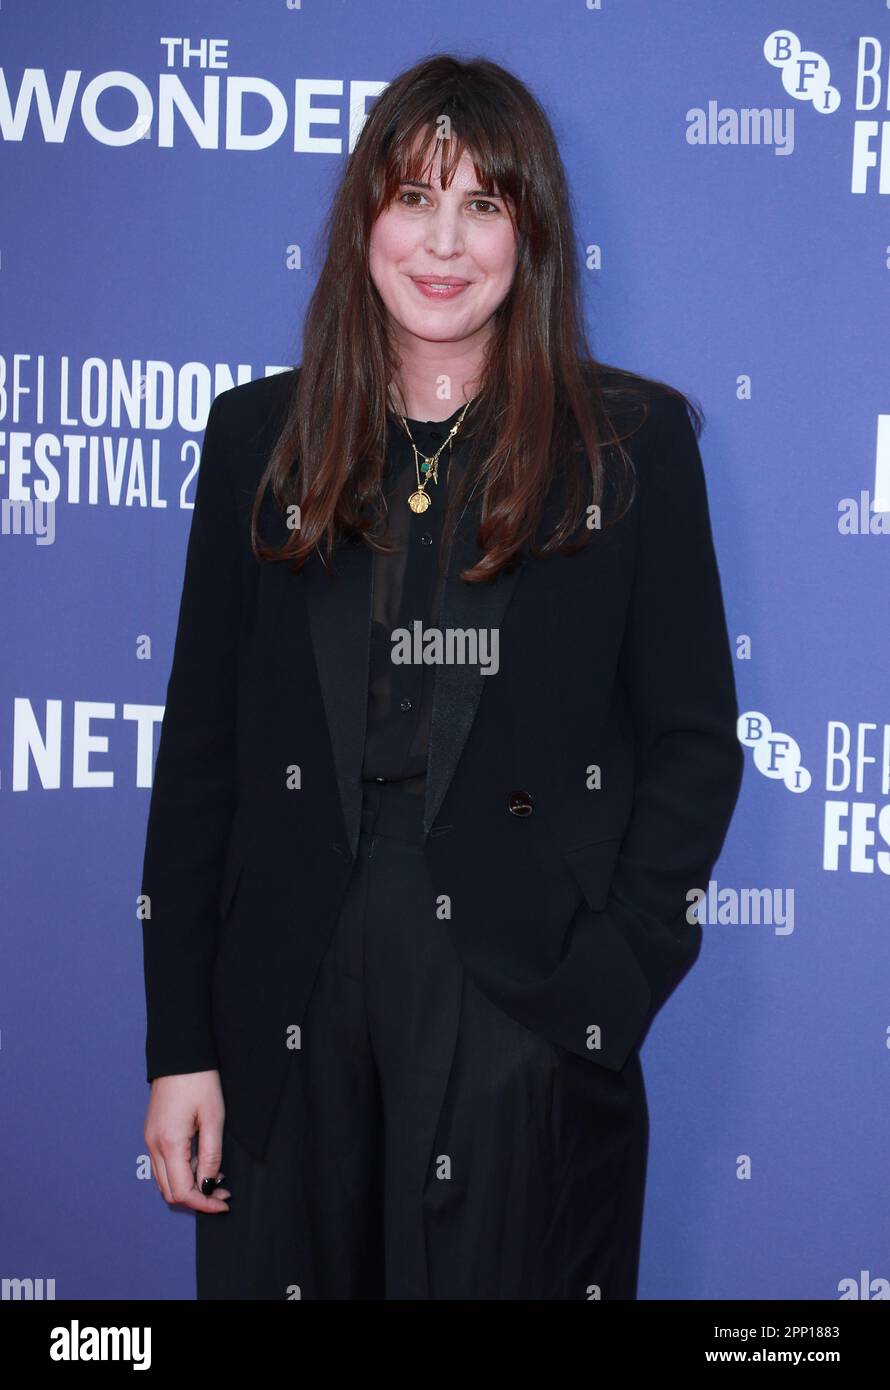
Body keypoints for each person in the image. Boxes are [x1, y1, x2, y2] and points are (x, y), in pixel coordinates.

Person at [141, 53, 744, 1300]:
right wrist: (181, 1045)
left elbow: (692, 739)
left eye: (483, 204)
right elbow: (199, 751)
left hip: (515, 995)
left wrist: (610, 981)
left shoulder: (625, 449)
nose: (443, 240)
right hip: (286, 994)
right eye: (414, 196)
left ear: (531, 235)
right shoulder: (259, 437)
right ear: (364, 216)